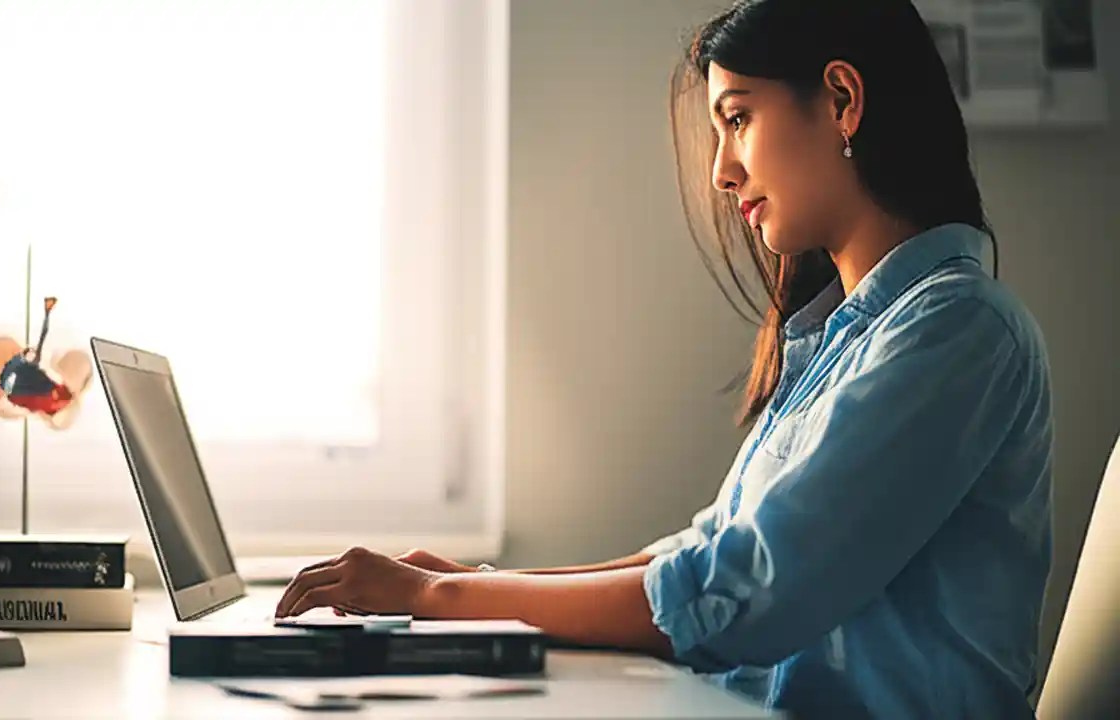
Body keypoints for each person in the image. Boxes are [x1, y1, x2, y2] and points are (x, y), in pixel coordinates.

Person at [274, 1, 1054, 717]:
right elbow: (699, 553)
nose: (721, 170)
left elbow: (739, 593)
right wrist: (473, 588)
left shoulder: (958, 328)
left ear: (842, 102)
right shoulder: (840, 344)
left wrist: (440, 596)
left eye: (738, 118)